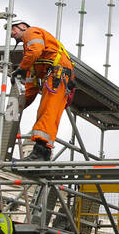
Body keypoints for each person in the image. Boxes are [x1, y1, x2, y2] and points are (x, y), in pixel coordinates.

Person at [9, 20, 75, 162]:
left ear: (23, 26)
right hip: (56, 77)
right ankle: (43, 152)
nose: (12, 33)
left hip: (58, 75)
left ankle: (39, 153)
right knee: (46, 113)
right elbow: (31, 87)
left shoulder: (31, 33)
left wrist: (21, 67)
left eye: (13, 29)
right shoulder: (31, 56)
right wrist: (18, 105)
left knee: (48, 112)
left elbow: (36, 49)